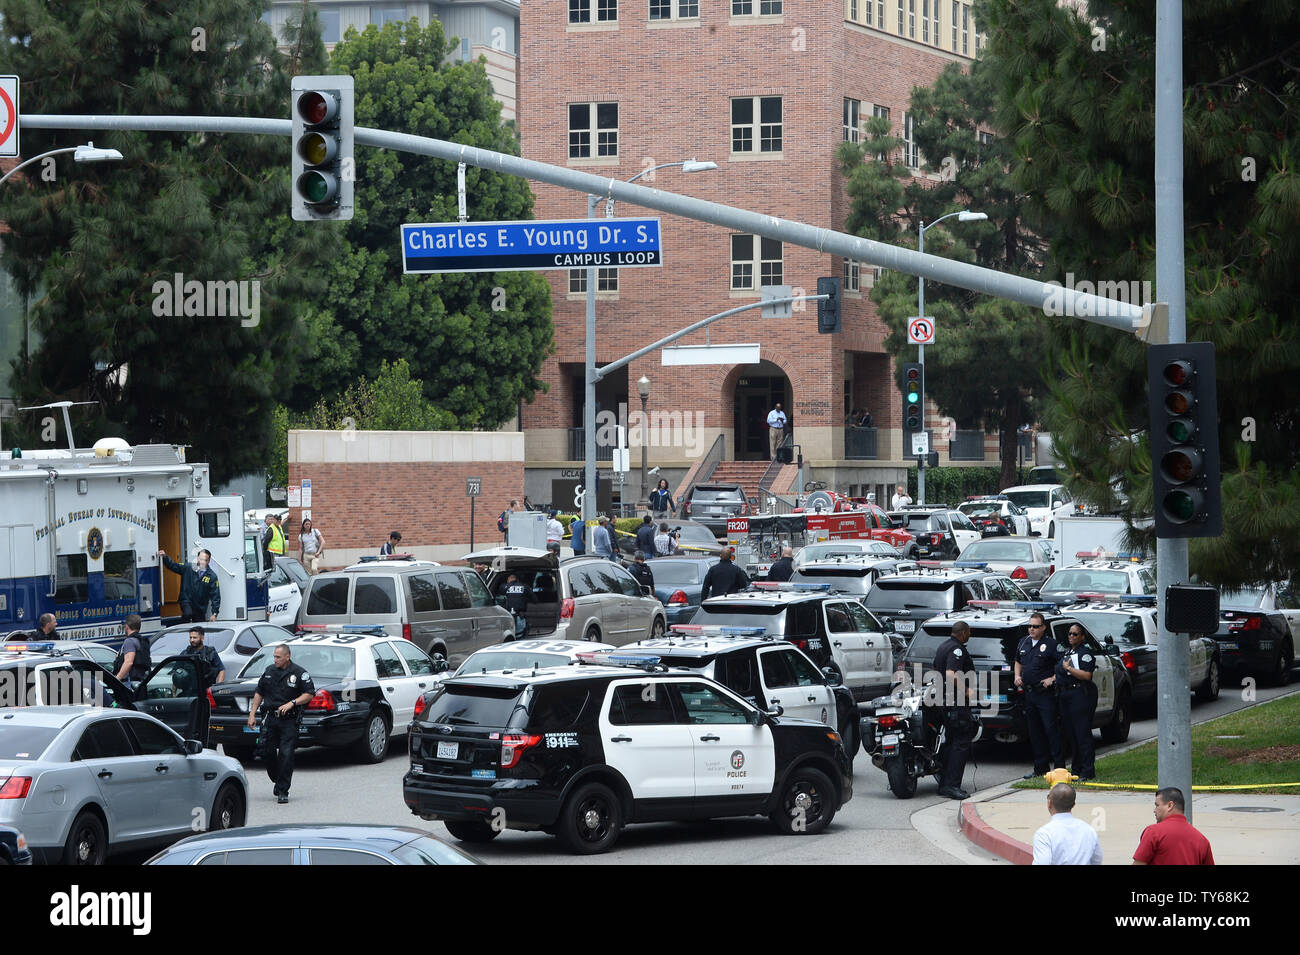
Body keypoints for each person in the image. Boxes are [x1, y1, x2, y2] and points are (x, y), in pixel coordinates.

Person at [247, 644, 316, 804]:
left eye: (278, 657)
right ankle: (278, 779)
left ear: (287, 657)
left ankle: (283, 790)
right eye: (274, 656)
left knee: (286, 754)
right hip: (270, 718)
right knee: (266, 752)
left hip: (289, 719)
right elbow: (259, 692)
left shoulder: (299, 673)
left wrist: (293, 702)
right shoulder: (269, 671)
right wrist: (252, 714)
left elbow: (309, 694)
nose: (275, 659)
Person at [931, 619, 977, 799]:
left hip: (946, 701)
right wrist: (966, 691)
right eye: (969, 632)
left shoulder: (943, 646)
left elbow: (936, 668)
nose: (970, 635)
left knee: (951, 743)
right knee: (960, 744)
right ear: (963, 632)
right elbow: (951, 673)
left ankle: (945, 783)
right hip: (956, 703)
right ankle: (951, 785)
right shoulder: (957, 649)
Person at [1015, 612, 1065, 777]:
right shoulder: (1023, 642)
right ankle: (1040, 768)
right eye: (1030, 626)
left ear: (1043, 627)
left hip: (1045, 694)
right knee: (1035, 732)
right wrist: (1017, 675)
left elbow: (1064, 664)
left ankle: (1059, 769)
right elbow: (1017, 661)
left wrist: (1053, 678)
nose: (1032, 629)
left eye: (1035, 626)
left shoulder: (1051, 644)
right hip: (1029, 694)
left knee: (1051, 731)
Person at [1056, 623, 1098, 781]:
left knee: (1082, 734)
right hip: (1066, 694)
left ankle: (1088, 771)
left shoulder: (1085, 654)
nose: (1071, 637)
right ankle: (1076, 769)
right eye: (1069, 634)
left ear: (1082, 637)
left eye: (1075, 634)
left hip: (1080, 694)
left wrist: (1069, 669)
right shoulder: (1068, 652)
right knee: (1071, 734)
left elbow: (1087, 676)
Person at [1133, 787, 1215, 865]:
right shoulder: (1202, 840)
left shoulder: (1153, 832)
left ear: (1170, 805)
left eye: (1157, 805)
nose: (1154, 810)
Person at [1032, 783, 1103, 865]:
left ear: (1049, 803)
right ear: (1074, 805)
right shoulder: (1089, 830)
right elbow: (1097, 860)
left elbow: (1042, 863)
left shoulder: (1044, 834)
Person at [158, 548, 221, 622]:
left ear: (208, 561)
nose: (202, 562)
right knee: (188, 613)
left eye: (205, 560)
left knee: (199, 628)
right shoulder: (188, 567)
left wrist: (214, 613)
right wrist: (165, 557)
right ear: (197, 559)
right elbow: (173, 566)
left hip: (200, 607)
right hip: (186, 600)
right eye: (201, 559)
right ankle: (180, 627)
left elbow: (215, 596)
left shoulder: (212, 576)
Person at [113, 613, 151, 687]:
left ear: (127, 627)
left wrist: (117, 679)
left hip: (129, 683)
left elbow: (128, 662)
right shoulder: (141, 641)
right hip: (140, 682)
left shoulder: (129, 641)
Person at [501, 572, 530, 639]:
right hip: (520, 615)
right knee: (520, 637)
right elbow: (535, 599)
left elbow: (498, 598)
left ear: (508, 579)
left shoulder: (503, 587)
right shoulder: (525, 587)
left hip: (506, 617)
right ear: (517, 579)